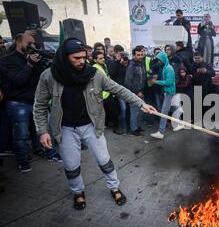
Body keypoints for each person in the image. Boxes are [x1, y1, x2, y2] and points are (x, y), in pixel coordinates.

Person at [33, 38, 156, 210]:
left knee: (104, 160)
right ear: (65, 57)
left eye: (83, 57)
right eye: (76, 58)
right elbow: (39, 105)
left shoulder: (94, 74)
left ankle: (114, 187)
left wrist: (140, 103)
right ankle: (78, 192)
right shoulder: (49, 76)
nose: (82, 61)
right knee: (71, 165)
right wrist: (42, 130)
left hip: (91, 126)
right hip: (65, 129)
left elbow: (118, 89)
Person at [0, 33, 49, 172]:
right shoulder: (6, 60)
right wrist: (29, 65)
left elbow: (40, 79)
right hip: (18, 104)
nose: (32, 46)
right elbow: (18, 80)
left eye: (33, 43)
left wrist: (39, 63)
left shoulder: (33, 57)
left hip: (35, 101)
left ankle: (40, 150)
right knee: (21, 135)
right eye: (29, 43)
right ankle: (23, 161)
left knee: (38, 131)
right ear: (18, 43)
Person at [149, 51, 177, 140]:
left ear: (164, 60)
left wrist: (155, 81)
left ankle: (161, 132)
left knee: (164, 112)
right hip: (167, 92)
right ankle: (180, 123)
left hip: (169, 92)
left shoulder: (169, 68)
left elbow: (169, 82)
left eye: (160, 60)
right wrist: (158, 77)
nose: (158, 62)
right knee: (170, 109)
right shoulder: (165, 68)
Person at [92, 51, 121, 135]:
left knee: (112, 111)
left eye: (103, 57)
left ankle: (112, 125)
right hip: (103, 95)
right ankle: (115, 127)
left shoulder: (103, 65)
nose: (103, 59)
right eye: (100, 58)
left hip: (107, 93)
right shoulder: (95, 68)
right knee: (112, 112)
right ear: (95, 60)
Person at [124, 46, 147, 136]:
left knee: (140, 111)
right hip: (134, 93)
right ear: (134, 55)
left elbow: (142, 78)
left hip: (141, 92)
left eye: (141, 54)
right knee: (134, 111)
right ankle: (134, 129)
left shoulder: (141, 64)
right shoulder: (132, 66)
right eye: (138, 55)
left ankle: (137, 126)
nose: (140, 56)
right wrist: (137, 92)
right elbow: (127, 82)